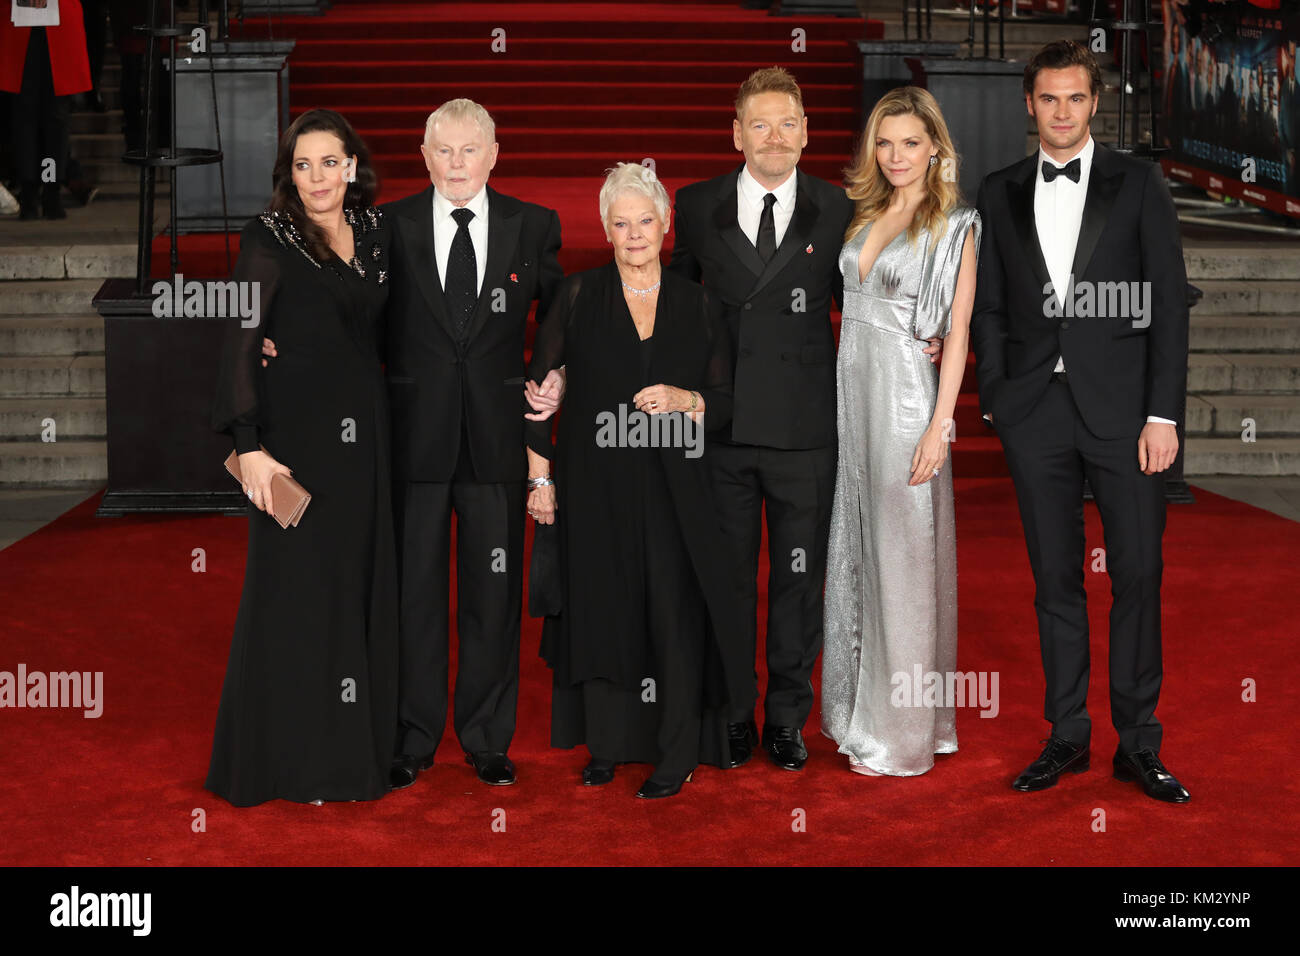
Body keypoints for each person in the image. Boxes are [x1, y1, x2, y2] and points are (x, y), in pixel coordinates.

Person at [668, 67, 943, 772]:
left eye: (788, 123)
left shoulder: (838, 206)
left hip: (807, 429)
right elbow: (676, 313)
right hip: (721, 430)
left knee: (798, 582)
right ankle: (731, 710)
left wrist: (926, 332)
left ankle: (786, 717)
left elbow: (886, 281)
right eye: (759, 124)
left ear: (807, 132)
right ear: (737, 134)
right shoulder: (696, 206)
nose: (775, 138)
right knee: (726, 579)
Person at [972, 41, 1191, 803]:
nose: (1061, 113)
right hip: (1035, 413)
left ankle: (1138, 743)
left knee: (1138, 573)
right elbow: (991, 302)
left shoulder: (1140, 183)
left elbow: (1167, 302)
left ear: (1095, 103)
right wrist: (996, 392)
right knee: (1055, 581)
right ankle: (1067, 734)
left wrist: (1164, 413)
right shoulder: (996, 189)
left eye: (1074, 98)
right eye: (1047, 99)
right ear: (1028, 106)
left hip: (1128, 414)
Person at [524, 163, 748, 798]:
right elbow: (538, 396)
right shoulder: (576, 295)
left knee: (673, 615)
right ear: (605, 229)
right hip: (595, 482)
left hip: (680, 487)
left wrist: (687, 399)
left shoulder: (700, 303)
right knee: (603, 607)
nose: (634, 233)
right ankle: (607, 747)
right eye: (620, 223)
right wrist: (540, 480)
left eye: (645, 220)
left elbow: (727, 399)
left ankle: (675, 752)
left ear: (666, 224)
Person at [208, 109, 398, 806]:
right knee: (294, 597)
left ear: (353, 164)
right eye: (302, 164)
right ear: (288, 173)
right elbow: (239, 339)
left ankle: (351, 761)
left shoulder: (380, 231)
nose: (317, 177)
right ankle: (289, 765)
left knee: (353, 591)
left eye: (329, 161)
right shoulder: (269, 234)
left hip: (367, 443)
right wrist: (250, 448)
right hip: (295, 443)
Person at [381, 100, 563, 789]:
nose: (456, 164)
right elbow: (358, 316)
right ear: (424, 156)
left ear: (493, 154)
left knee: (493, 593)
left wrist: (553, 375)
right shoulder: (389, 226)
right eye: (443, 151)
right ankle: (414, 734)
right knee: (415, 595)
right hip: (413, 441)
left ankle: (487, 736)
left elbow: (557, 312)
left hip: (496, 443)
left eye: (469, 150)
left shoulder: (532, 225)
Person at [820, 87, 979, 777]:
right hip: (853, 393)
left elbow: (960, 329)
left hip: (906, 402)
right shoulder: (867, 210)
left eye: (910, 143)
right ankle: (862, 714)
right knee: (859, 547)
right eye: (885, 143)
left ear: (935, 147)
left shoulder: (955, 224)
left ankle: (904, 734)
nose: (896, 156)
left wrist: (938, 428)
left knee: (904, 558)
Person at [0, 0, 92, 219]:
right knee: (25, 118)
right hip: (17, 22)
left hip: (58, 22)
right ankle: (29, 191)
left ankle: (51, 190)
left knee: (55, 120)